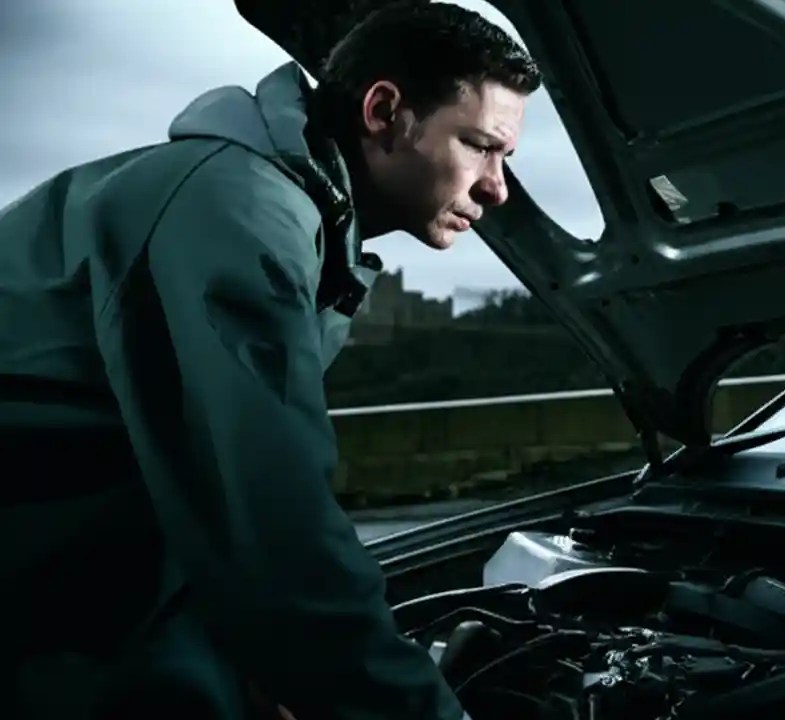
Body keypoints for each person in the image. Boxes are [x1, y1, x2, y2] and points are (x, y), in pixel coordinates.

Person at [0, 1, 539, 718]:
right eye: (480, 145)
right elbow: (278, 536)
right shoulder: (238, 213)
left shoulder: (282, 212)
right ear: (385, 112)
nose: (497, 185)